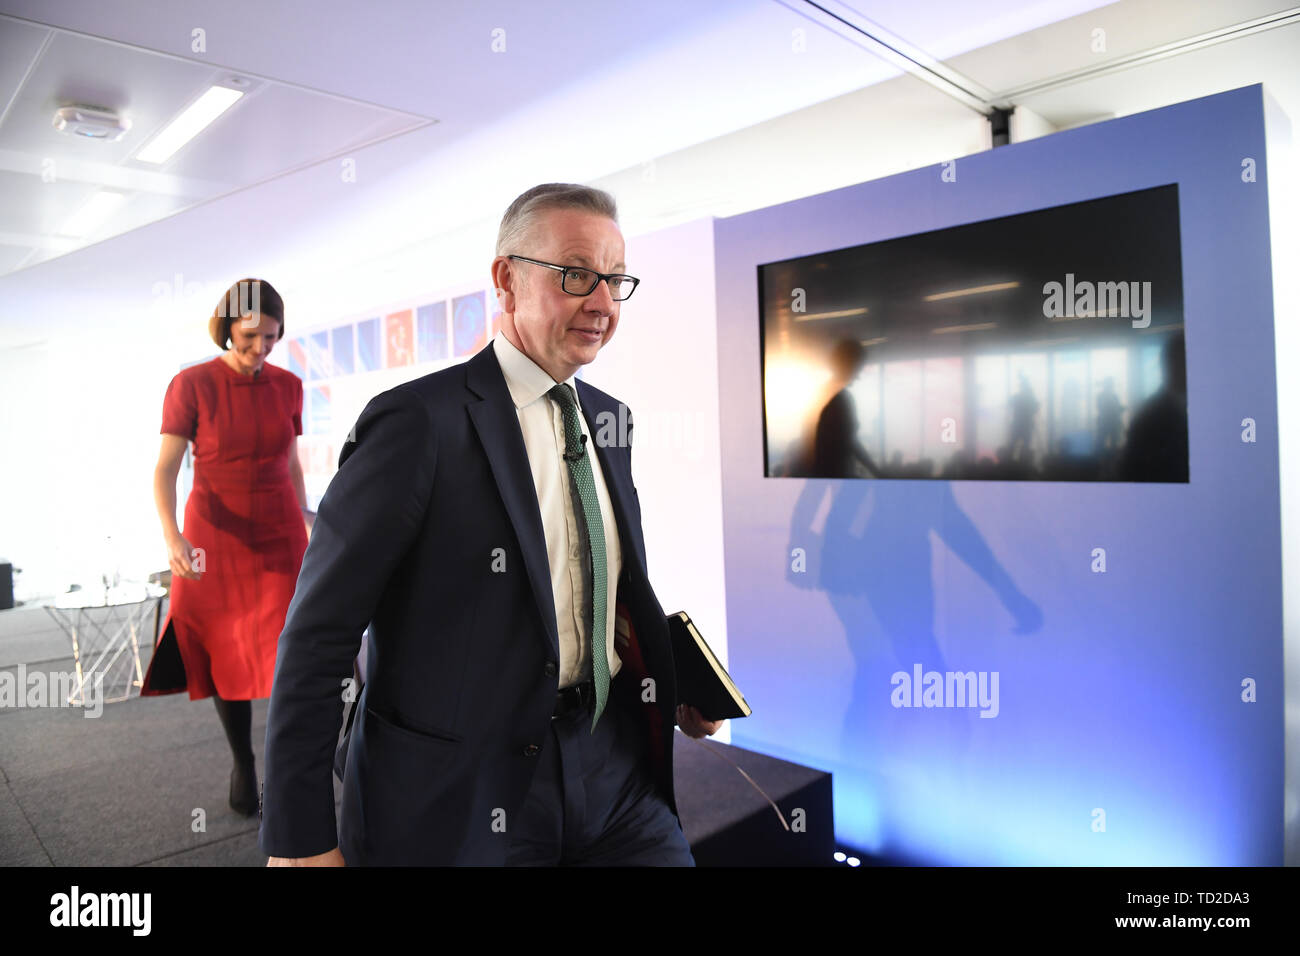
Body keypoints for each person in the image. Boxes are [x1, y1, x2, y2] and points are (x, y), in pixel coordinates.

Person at [259, 183, 721, 867]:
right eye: (576, 275)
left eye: (615, 280)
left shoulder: (609, 421)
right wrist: (301, 840)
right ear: (507, 280)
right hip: (466, 793)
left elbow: (598, 586)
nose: (601, 302)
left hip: (612, 769)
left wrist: (674, 680)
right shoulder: (417, 424)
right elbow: (319, 636)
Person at [146, 278, 312, 817]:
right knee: (226, 647)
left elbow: (290, 462)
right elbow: (167, 469)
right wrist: (172, 535)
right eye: (249, 336)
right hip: (214, 535)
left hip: (278, 526)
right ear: (226, 329)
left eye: (270, 337)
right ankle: (243, 760)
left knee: (292, 645)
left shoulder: (288, 385)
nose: (260, 348)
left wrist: (308, 517)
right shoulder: (191, 384)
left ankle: (288, 763)